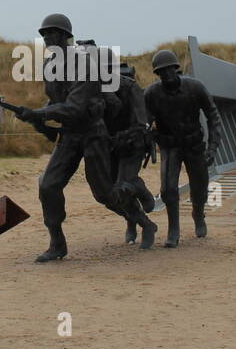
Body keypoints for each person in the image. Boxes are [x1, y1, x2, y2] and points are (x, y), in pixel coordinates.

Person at [21, 15, 156, 261]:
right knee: (48, 185)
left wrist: (42, 113)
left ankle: (143, 220)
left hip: (93, 134)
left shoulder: (84, 65)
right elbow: (57, 100)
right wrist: (36, 116)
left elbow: (76, 106)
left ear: (64, 36)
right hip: (70, 135)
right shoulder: (50, 66)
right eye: (44, 34)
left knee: (104, 194)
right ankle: (57, 244)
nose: (47, 38)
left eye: (51, 33)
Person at [144, 50, 222, 247]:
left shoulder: (195, 87)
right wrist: (147, 136)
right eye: (161, 72)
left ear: (176, 69)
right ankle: (173, 229)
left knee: (200, 187)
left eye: (169, 70)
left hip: (194, 145)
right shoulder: (152, 94)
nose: (166, 75)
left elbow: (213, 116)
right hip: (170, 146)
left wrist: (212, 148)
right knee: (168, 189)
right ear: (158, 74)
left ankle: (198, 214)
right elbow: (143, 121)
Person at [105, 61, 157, 244]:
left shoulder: (131, 89)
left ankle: (141, 190)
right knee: (108, 194)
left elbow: (142, 123)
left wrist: (125, 136)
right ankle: (133, 220)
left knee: (124, 185)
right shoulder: (92, 89)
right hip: (109, 147)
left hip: (133, 144)